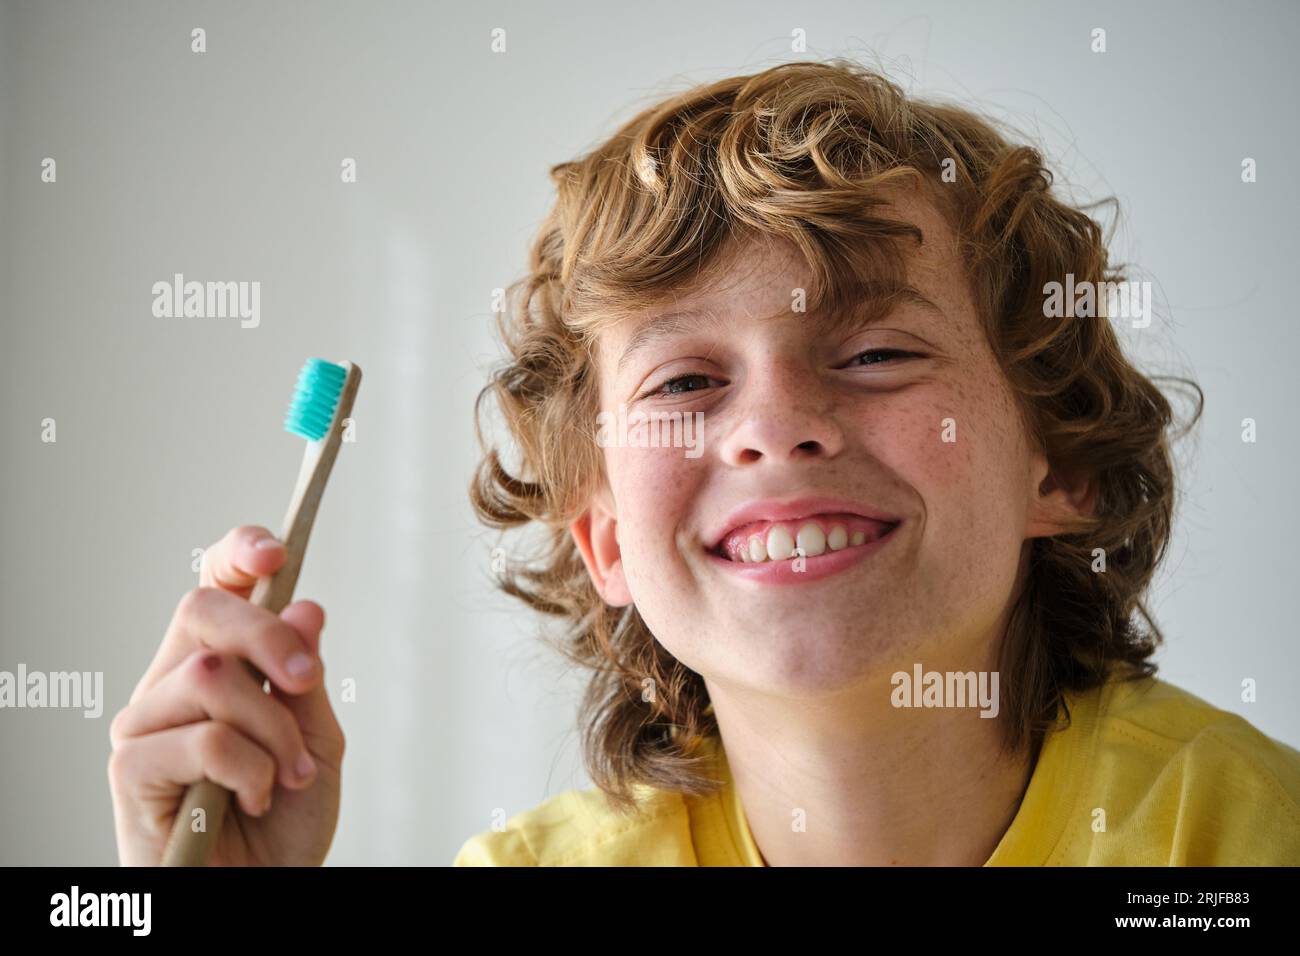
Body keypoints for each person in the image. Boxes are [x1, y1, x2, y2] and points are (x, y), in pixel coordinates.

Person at [108, 59, 1300, 867]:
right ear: (608, 540)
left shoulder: (1240, 837)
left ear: (1063, 468)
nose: (774, 427)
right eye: (683, 382)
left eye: (878, 351)